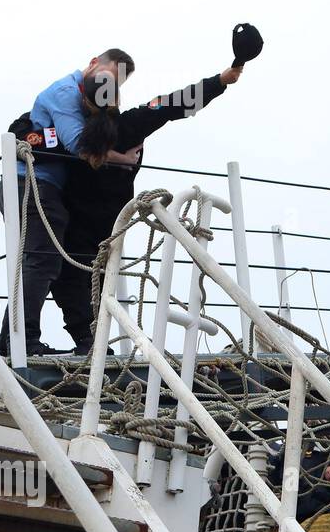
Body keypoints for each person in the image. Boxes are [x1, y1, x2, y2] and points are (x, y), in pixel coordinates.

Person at [57, 63, 246, 353]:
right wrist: (221, 81)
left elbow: (25, 130)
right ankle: (91, 342)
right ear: (117, 100)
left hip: (72, 222)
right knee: (95, 282)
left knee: (63, 276)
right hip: (111, 226)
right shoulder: (133, 123)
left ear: (84, 101)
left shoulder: (71, 132)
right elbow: (174, 103)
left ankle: (83, 339)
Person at [0, 50, 135, 357]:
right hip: (32, 183)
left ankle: (12, 337)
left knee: (46, 261)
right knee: (42, 260)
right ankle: (21, 339)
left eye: (115, 85)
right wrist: (123, 158)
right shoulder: (66, 93)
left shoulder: (83, 98)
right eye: (106, 78)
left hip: (45, 188)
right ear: (94, 63)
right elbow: (77, 144)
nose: (108, 87)